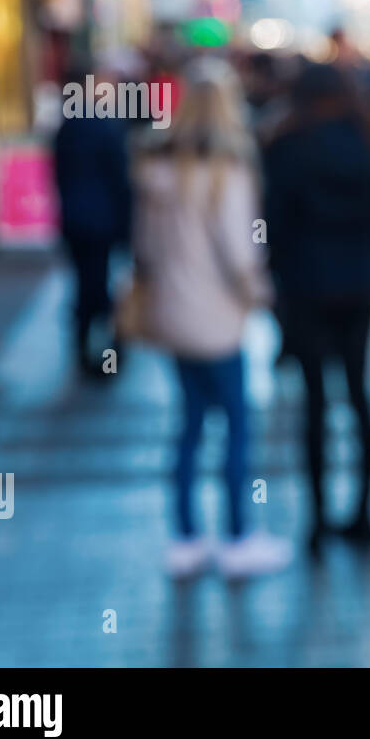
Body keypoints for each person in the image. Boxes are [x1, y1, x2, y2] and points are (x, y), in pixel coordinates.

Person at [131, 58, 290, 578]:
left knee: (189, 426)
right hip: (217, 316)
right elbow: (239, 251)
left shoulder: (157, 170)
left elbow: (144, 249)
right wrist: (261, 294)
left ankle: (185, 537)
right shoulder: (228, 171)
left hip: (173, 314)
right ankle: (240, 534)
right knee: (238, 426)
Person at [263, 64, 370, 555]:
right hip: (358, 286)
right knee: (360, 397)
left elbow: (274, 222)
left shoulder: (287, 146)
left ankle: (317, 518)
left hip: (307, 288)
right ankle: (363, 512)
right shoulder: (366, 141)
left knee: (315, 403)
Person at [52, 61, 132, 380]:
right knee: (97, 287)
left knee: (88, 284)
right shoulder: (99, 123)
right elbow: (119, 180)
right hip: (99, 221)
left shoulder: (69, 125)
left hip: (77, 220)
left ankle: (88, 347)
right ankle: (102, 352)